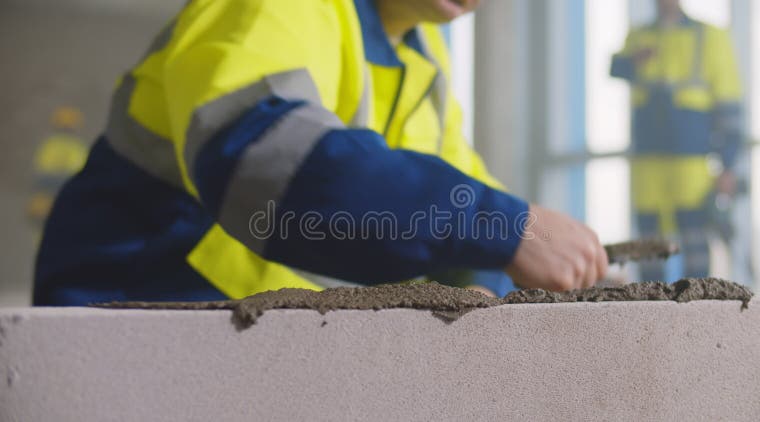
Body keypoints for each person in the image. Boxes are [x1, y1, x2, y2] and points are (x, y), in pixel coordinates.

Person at [34, 0, 607, 305]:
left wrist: (484, 277)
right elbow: (267, 164)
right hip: (140, 314)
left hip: (270, 342)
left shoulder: (422, 56)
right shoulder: (270, 6)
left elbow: (473, 209)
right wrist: (504, 226)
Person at [610, 0, 743, 280]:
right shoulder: (639, 35)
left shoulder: (709, 37)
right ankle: (650, 307)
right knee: (648, 251)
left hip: (690, 164)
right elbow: (615, 67)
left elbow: (729, 105)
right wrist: (633, 61)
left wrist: (728, 164)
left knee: (695, 247)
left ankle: (696, 305)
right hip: (647, 164)